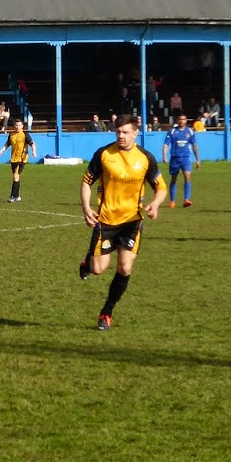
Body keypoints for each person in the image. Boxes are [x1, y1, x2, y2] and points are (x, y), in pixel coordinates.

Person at [77, 115, 162, 330]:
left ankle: (106, 312)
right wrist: (87, 208)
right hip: (106, 221)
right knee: (98, 269)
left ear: (135, 133)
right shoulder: (104, 154)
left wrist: (156, 203)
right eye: (118, 132)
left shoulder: (145, 158)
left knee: (124, 267)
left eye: (125, 132)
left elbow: (160, 187)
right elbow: (86, 182)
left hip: (132, 222)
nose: (121, 136)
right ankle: (88, 260)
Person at [162, 117, 199, 208]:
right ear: (178, 121)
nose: (182, 121)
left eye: (184, 119)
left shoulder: (190, 132)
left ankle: (186, 199)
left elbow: (194, 145)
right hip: (175, 158)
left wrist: (198, 159)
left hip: (186, 158)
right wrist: (164, 156)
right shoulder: (172, 131)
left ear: (186, 121)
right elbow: (166, 144)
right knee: (174, 179)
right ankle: (172, 201)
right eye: (180, 119)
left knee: (187, 176)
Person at [0, 119, 36, 202]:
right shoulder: (11, 135)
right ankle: (17, 196)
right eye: (16, 125)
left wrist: (34, 151)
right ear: (13, 126)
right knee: (16, 177)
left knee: (16, 176)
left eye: (19, 125)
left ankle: (13, 196)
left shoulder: (25, 135)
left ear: (22, 126)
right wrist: (2, 150)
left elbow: (32, 143)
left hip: (22, 158)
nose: (17, 127)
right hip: (13, 159)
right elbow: (7, 144)